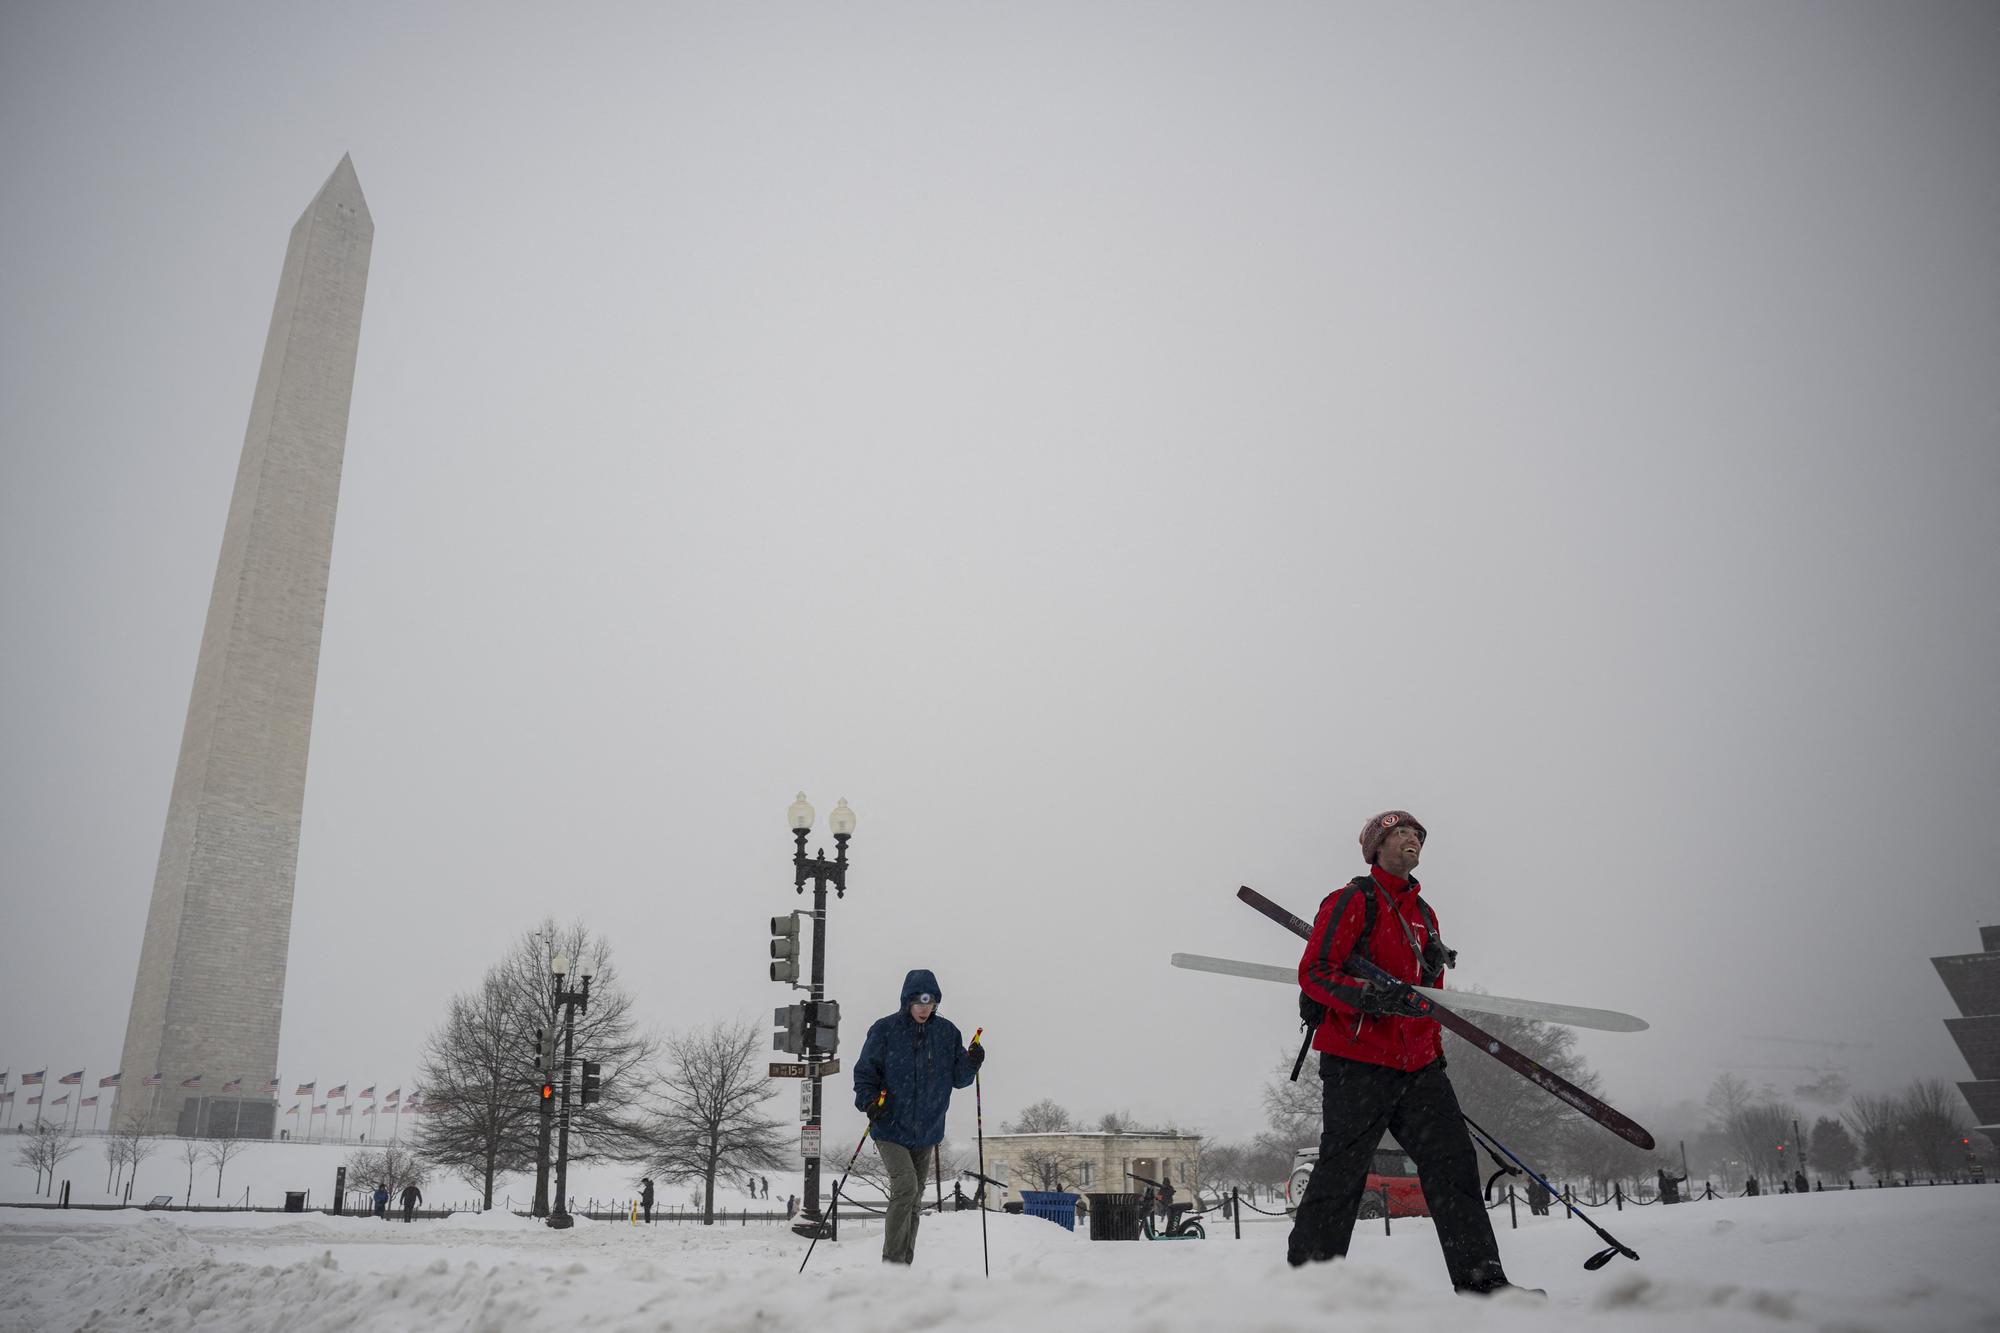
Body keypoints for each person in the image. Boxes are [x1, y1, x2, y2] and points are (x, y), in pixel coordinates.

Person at [1286, 811, 1529, 1296]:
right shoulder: (1351, 901)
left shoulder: (1424, 915)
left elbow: (1427, 1002)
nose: (1411, 839)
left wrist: (1435, 1054)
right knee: (1342, 1175)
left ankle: (1483, 1286)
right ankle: (1310, 1292)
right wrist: (1370, 997)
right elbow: (1315, 973)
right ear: (1377, 847)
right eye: (1400, 832)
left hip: (1418, 1066)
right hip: (1357, 1062)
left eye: (1417, 833)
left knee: (1455, 1169)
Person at [853, 968, 983, 1264]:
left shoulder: (947, 1033)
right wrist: (869, 1102)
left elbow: (959, 1079)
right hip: (890, 1125)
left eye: (931, 1003)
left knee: (915, 1197)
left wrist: (972, 1062)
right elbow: (864, 1075)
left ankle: (903, 1263)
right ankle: (893, 1260)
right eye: (919, 1002)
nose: (925, 1009)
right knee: (905, 1187)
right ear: (907, 1001)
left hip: (927, 1130)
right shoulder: (885, 1030)